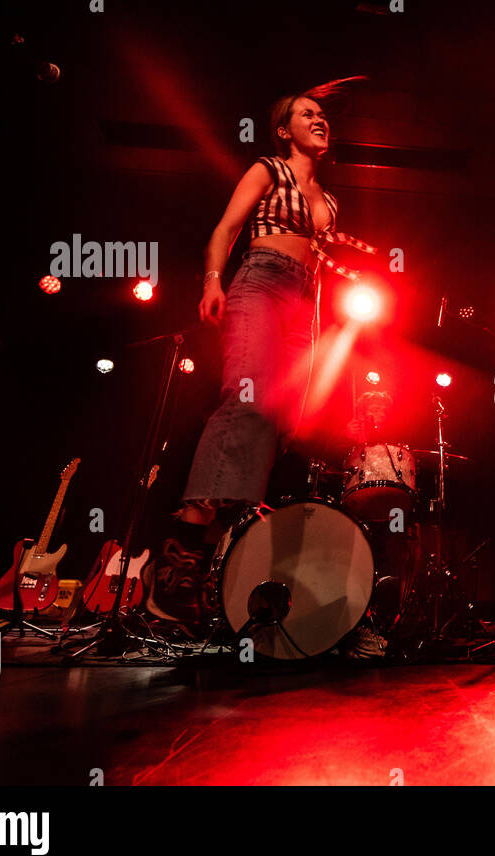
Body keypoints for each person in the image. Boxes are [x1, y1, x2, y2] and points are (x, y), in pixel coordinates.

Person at [148, 78, 362, 632]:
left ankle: (216, 551)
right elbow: (226, 228)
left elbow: (320, 257)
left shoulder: (329, 202)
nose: (319, 120)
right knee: (244, 395)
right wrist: (214, 280)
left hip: (304, 302)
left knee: (280, 417)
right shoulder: (270, 169)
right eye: (306, 113)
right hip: (261, 281)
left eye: (322, 114)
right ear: (283, 130)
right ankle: (185, 546)